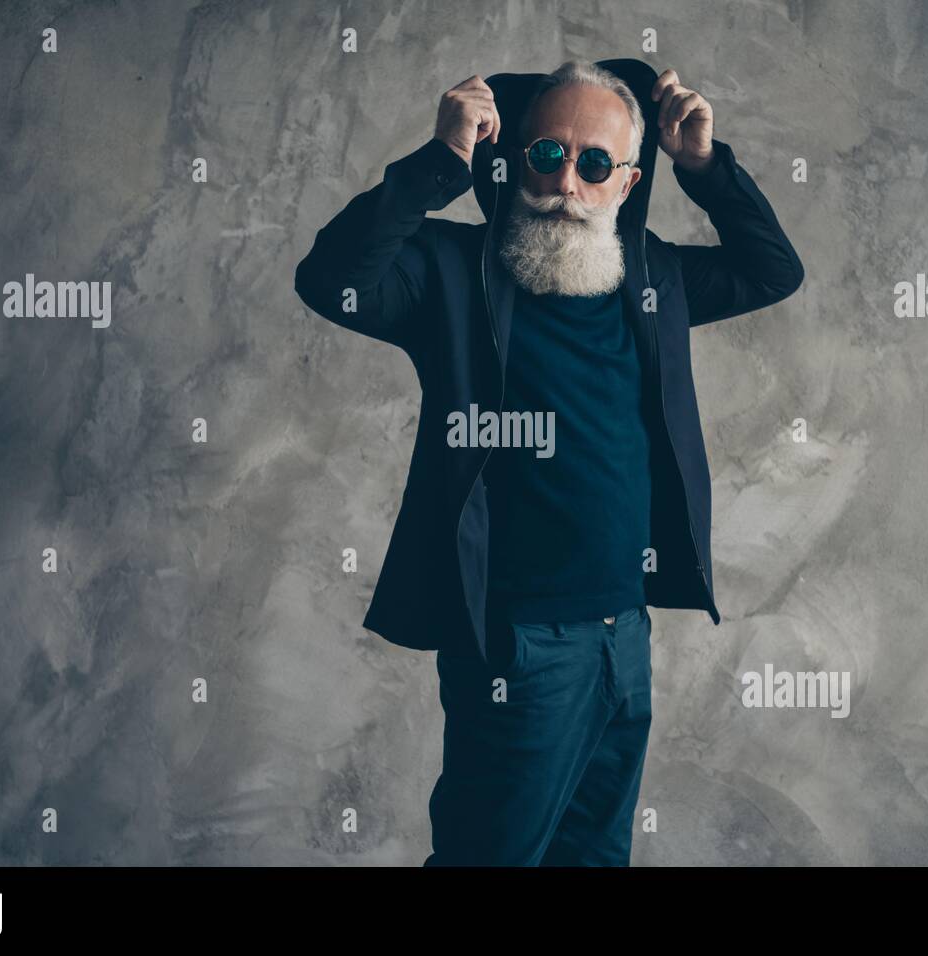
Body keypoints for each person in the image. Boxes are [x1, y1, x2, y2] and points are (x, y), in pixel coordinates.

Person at [294, 57, 804, 865]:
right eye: (547, 155)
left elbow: (774, 270)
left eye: (596, 163)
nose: (568, 180)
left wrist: (704, 165)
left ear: (627, 183)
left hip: (623, 635)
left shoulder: (654, 277)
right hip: (519, 646)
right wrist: (440, 161)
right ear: (514, 157)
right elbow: (330, 280)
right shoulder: (453, 272)